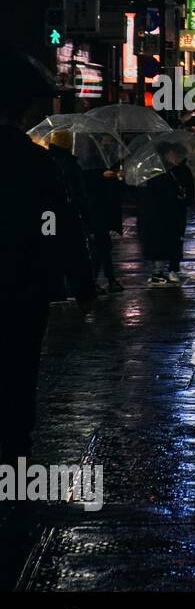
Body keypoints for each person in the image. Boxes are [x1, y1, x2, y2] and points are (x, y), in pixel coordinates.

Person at [0, 47, 95, 467]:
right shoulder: (34, 162)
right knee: (20, 368)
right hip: (23, 283)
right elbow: (56, 222)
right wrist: (80, 281)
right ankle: (16, 453)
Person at [45, 129, 94, 297]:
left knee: (50, 248)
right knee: (70, 249)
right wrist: (86, 217)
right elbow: (79, 195)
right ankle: (74, 289)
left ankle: (55, 287)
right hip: (67, 214)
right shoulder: (71, 165)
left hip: (47, 215)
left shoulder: (45, 161)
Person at [141, 142, 194, 286]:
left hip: (174, 212)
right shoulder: (158, 172)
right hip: (162, 213)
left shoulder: (182, 171)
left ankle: (172, 268)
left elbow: (190, 193)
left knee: (174, 240)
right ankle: (160, 270)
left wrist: (183, 199)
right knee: (163, 240)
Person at [82, 136, 125, 294]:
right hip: (95, 209)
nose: (108, 143)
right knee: (101, 246)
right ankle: (102, 280)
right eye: (106, 140)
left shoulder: (108, 159)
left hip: (103, 208)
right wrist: (102, 176)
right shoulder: (89, 161)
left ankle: (103, 280)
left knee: (103, 246)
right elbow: (86, 183)